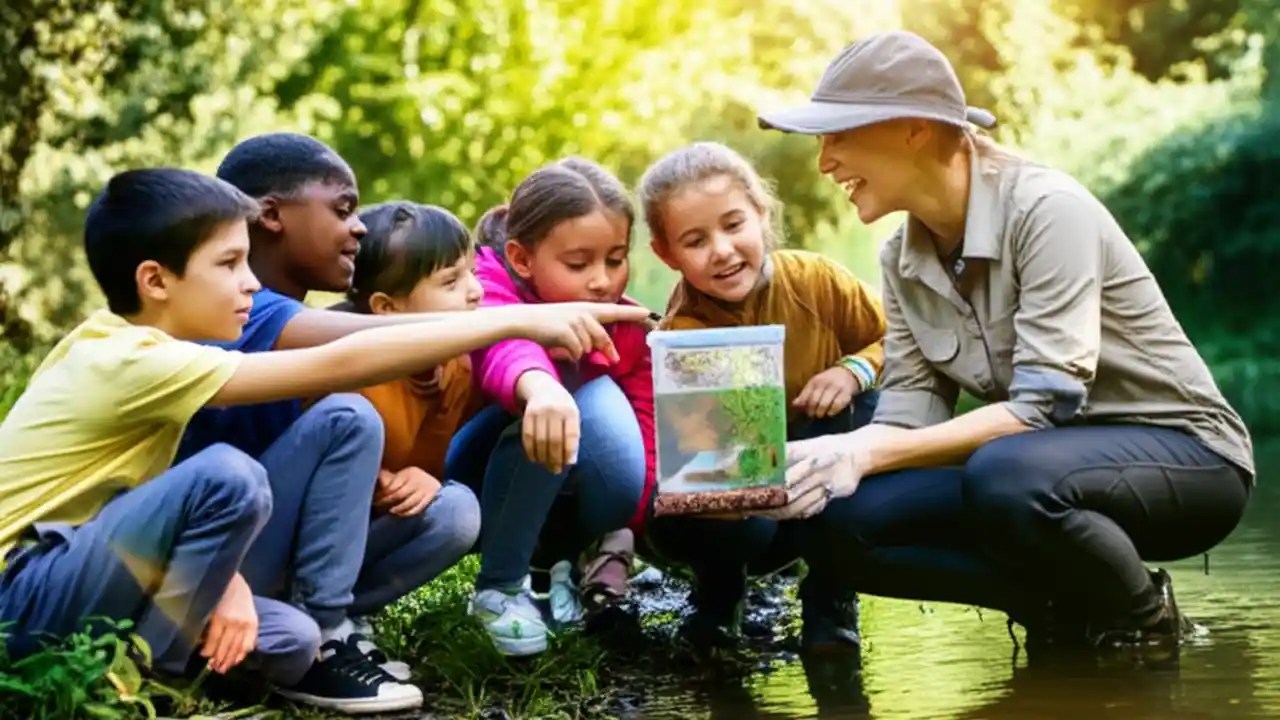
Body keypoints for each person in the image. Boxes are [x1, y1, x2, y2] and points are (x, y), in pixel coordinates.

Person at [0, 168, 648, 716]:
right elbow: (343, 360)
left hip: (90, 570)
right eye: (229, 265)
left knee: (290, 638)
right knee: (228, 471)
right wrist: (517, 319)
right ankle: (155, 684)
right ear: (156, 281)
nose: (251, 282)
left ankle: (209, 655)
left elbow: (126, 494)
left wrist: (221, 581)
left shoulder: (158, 352)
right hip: (20, 591)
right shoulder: (122, 357)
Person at [752, 30, 1254, 653]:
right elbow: (908, 416)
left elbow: (1046, 406)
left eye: (840, 136)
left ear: (913, 129)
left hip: (1190, 462)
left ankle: (1148, 623)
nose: (825, 161)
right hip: (1040, 471)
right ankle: (1056, 611)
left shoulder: (1049, 210)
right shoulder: (900, 259)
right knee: (835, 523)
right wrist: (821, 463)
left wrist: (865, 456)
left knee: (1005, 473)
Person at [634, 141, 886, 651]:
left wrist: (854, 369)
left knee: (865, 411)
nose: (722, 251)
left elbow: (899, 338)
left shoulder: (818, 281)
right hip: (744, 505)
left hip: (826, 471)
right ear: (666, 253)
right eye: (696, 240)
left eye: (733, 225)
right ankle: (720, 591)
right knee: (710, 517)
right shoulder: (681, 332)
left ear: (760, 215)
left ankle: (832, 595)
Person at [451, 157, 653, 657]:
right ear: (522, 258)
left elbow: (646, 419)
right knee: (562, 403)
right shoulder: (485, 286)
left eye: (616, 258)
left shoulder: (624, 319)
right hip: (470, 471)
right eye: (578, 264)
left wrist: (629, 524)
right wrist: (540, 386)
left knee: (604, 417)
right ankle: (500, 587)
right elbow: (502, 347)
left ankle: (557, 563)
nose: (603, 281)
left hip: (563, 469)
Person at [325, 201, 487, 681]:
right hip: (318, 533)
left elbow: (427, 458)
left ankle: (347, 615)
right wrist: (375, 478)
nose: (476, 292)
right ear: (386, 309)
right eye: (451, 282)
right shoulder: (346, 365)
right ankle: (318, 616)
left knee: (457, 511)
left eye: (472, 273)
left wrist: (422, 479)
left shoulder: (454, 364)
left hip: (375, 526)